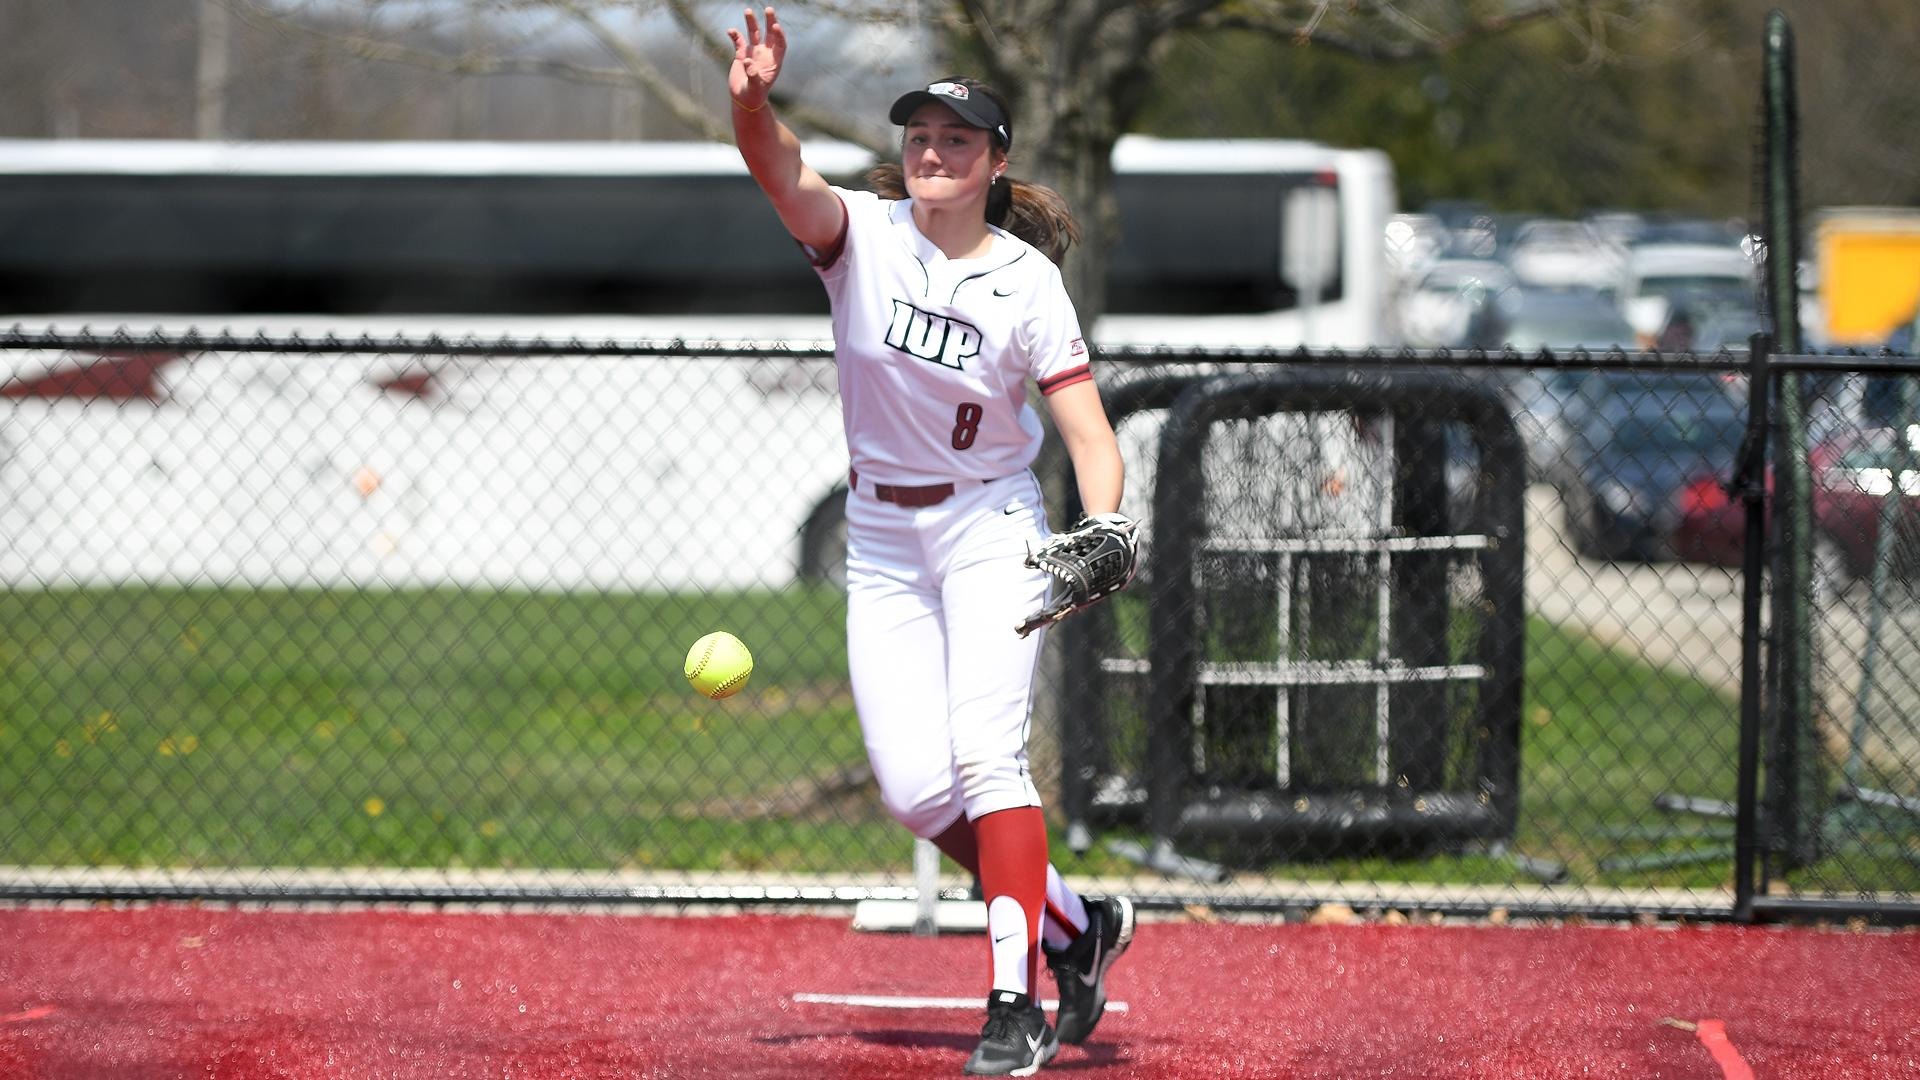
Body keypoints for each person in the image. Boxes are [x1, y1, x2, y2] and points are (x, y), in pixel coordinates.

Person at [726, 7, 1135, 1075]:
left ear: (995, 163)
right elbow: (780, 171)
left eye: (958, 139)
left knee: (987, 759)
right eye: (919, 136)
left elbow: (1090, 434)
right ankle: (1078, 927)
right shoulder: (860, 238)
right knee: (914, 793)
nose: (933, 152)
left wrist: (1103, 524)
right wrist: (753, 105)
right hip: (879, 535)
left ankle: (1014, 1004)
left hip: (987, 522)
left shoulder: (1026, 281)